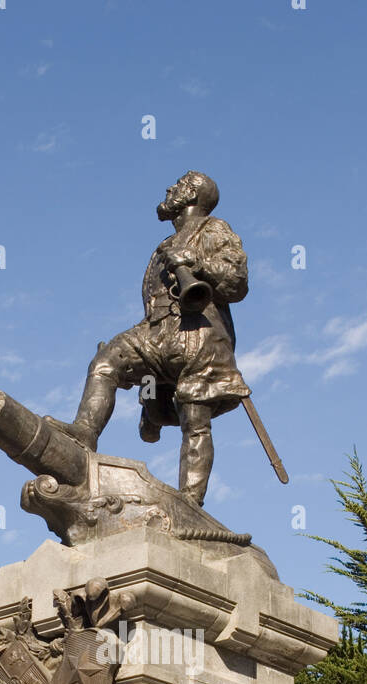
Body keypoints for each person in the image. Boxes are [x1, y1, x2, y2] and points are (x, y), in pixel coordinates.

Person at [47, 171, 250, 506]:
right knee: (106, 361)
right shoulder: (163, 246)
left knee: (194, 419)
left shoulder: (214, 229)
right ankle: (86, 431)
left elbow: (237, 283)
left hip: (200, 337)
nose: (170, 188)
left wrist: (195, 262)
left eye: (179, 185)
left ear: (192, 194)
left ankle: (190, 502)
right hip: (158, 330)